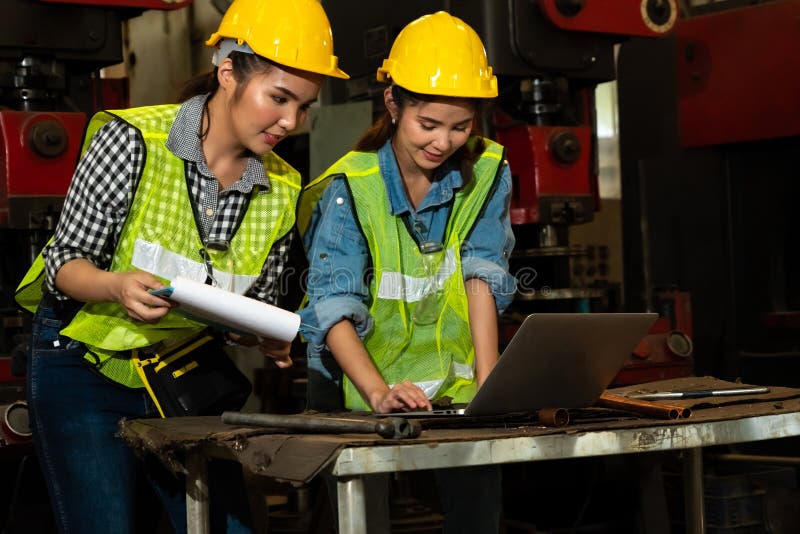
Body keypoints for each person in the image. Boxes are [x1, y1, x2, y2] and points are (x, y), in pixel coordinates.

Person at [14, 0, 348, 532]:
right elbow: (64, 264)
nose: (291, 122)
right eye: (279, 98)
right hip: (83, 366)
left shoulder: (284, 186)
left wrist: (263, 332)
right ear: (229, 72)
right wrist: (115, 285)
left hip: (182, 377)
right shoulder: (133, 140)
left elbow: (246, 305)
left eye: (304, 107)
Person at [298, 11, 516, 533]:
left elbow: (481, 275)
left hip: (453, 392)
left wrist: (489, 387)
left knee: (477, 520)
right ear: (393, 103)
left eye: (461, 126)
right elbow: (333, 307)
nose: (444, 142)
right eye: (429, 125)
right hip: (356, 392)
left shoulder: (488, 171)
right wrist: (379, 394)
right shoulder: (351, 188)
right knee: (360, 524)